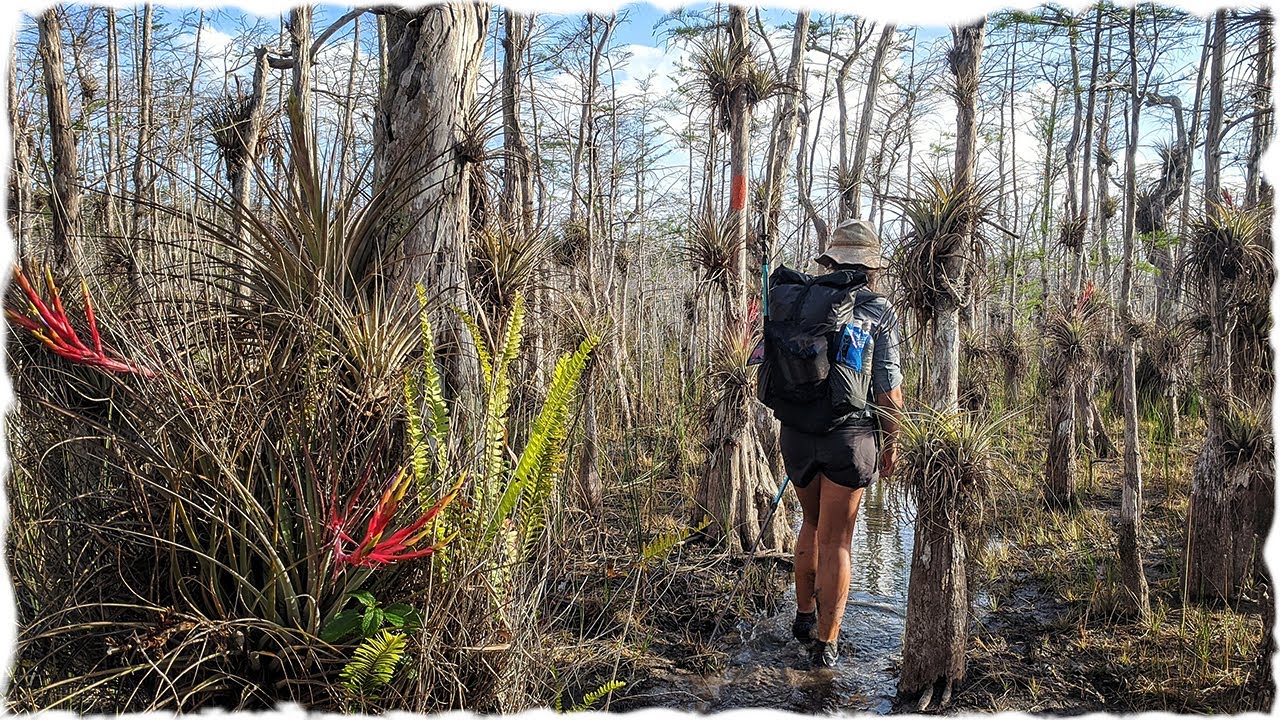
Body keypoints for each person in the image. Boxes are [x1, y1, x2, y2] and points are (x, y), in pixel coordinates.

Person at [758, 218, 904, 668]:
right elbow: (887, 388)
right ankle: (827, 644)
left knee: (810, 523)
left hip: (796, 432)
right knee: (839, 540)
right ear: (870, 267)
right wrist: (894, 442)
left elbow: (761, 359)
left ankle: (803, 617)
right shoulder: (876, 310)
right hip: (850, 437)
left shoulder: (799, 301)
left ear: (830, 260)